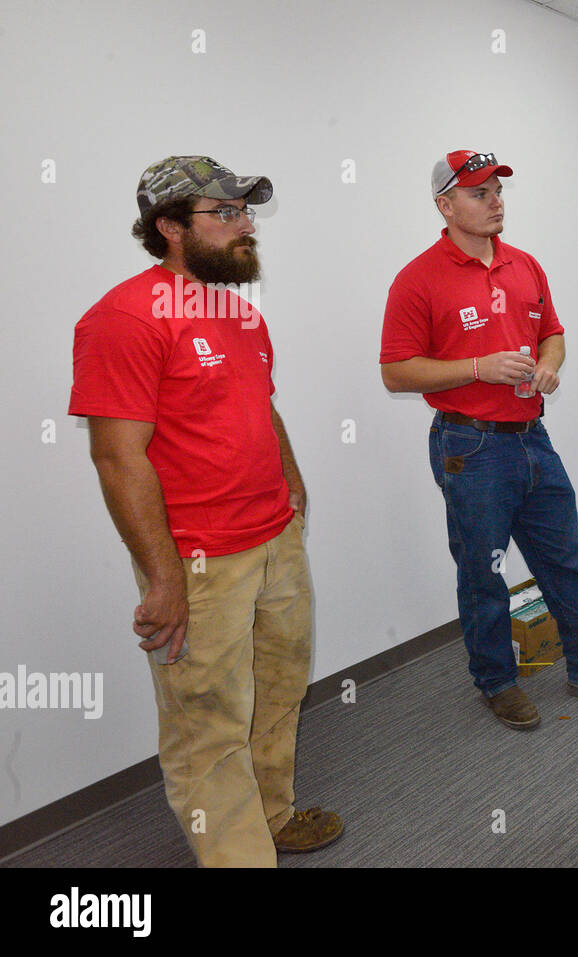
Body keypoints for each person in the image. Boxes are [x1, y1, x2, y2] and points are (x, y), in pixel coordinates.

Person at [69, 156, 342, 866]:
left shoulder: (238, 311)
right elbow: (118, 457)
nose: (247, 225)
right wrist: (163, 579)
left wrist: (292, 482)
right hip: (199, 560)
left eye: (246, 212)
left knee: (279, 688)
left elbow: (261, 402)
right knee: (208, 728)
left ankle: (274, 815)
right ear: (169, 228)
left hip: (274, 537)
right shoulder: (123, 318)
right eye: (226, 214)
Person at [380, 149, 578, 730]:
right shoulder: (417, 279)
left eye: (498, 191)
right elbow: (396, 371)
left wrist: (551, 365)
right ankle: (496, 682)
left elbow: (552, 332)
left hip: (534, 438)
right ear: (445, 204)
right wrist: (476, 368)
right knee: (483, 572)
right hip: (470, 445)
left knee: (566, 557)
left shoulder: (525, 265)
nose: (495, 201)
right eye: (479, 193)